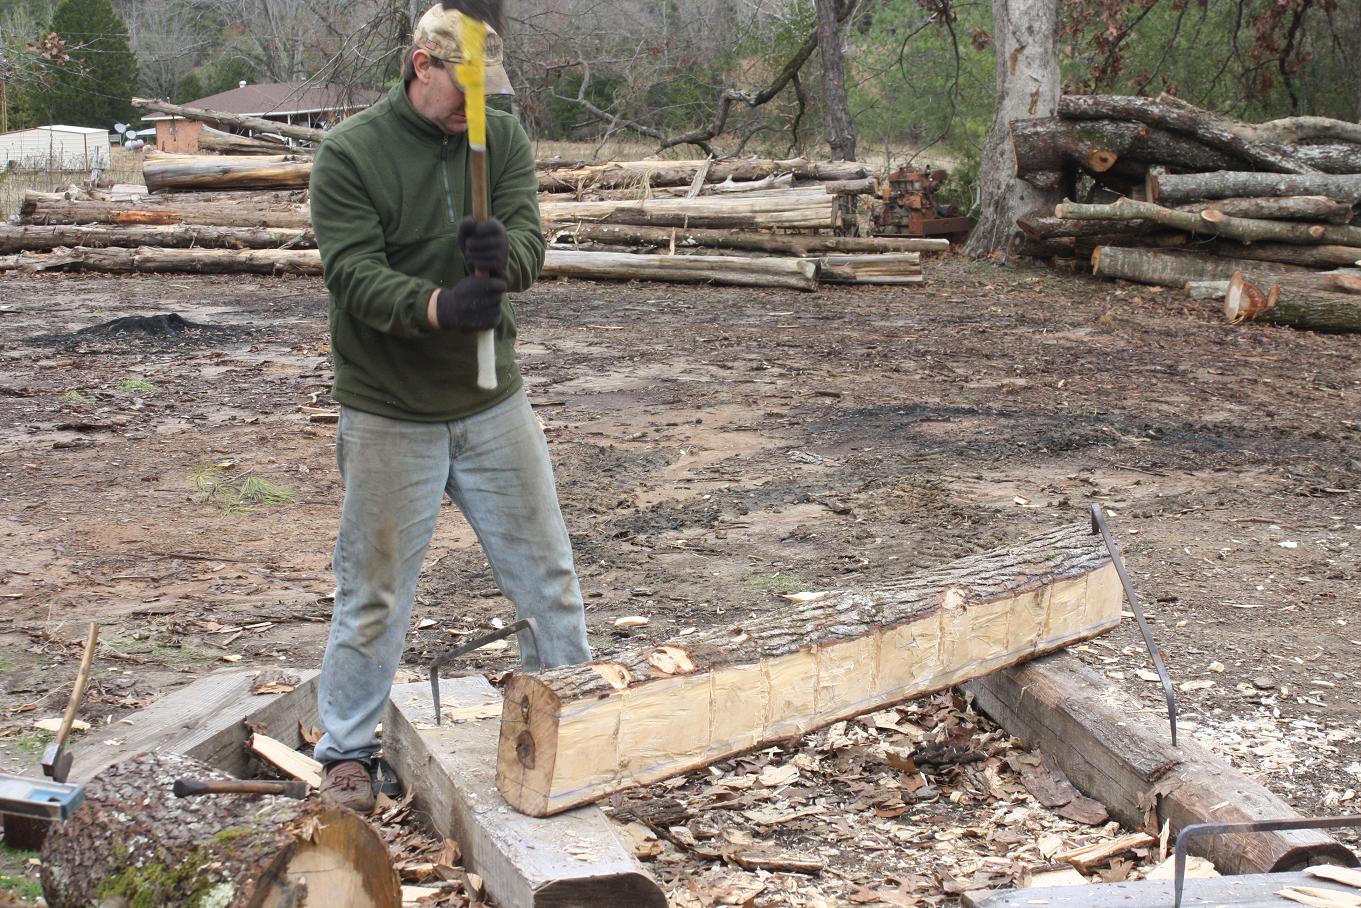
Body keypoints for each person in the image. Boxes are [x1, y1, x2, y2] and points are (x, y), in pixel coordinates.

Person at [307, 3, 591, 812]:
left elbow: (529, 240)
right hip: (390, 409)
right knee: (374, 591)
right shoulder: (351, 153)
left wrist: (508, 257)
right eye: (462, 89)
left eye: (485, 91)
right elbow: (352, 275)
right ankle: (347, 752)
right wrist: (437, 306)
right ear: (420, 66)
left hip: (492, 404)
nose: (476, 107)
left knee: (547, 578)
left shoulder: (500, 139)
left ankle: (576, 728)